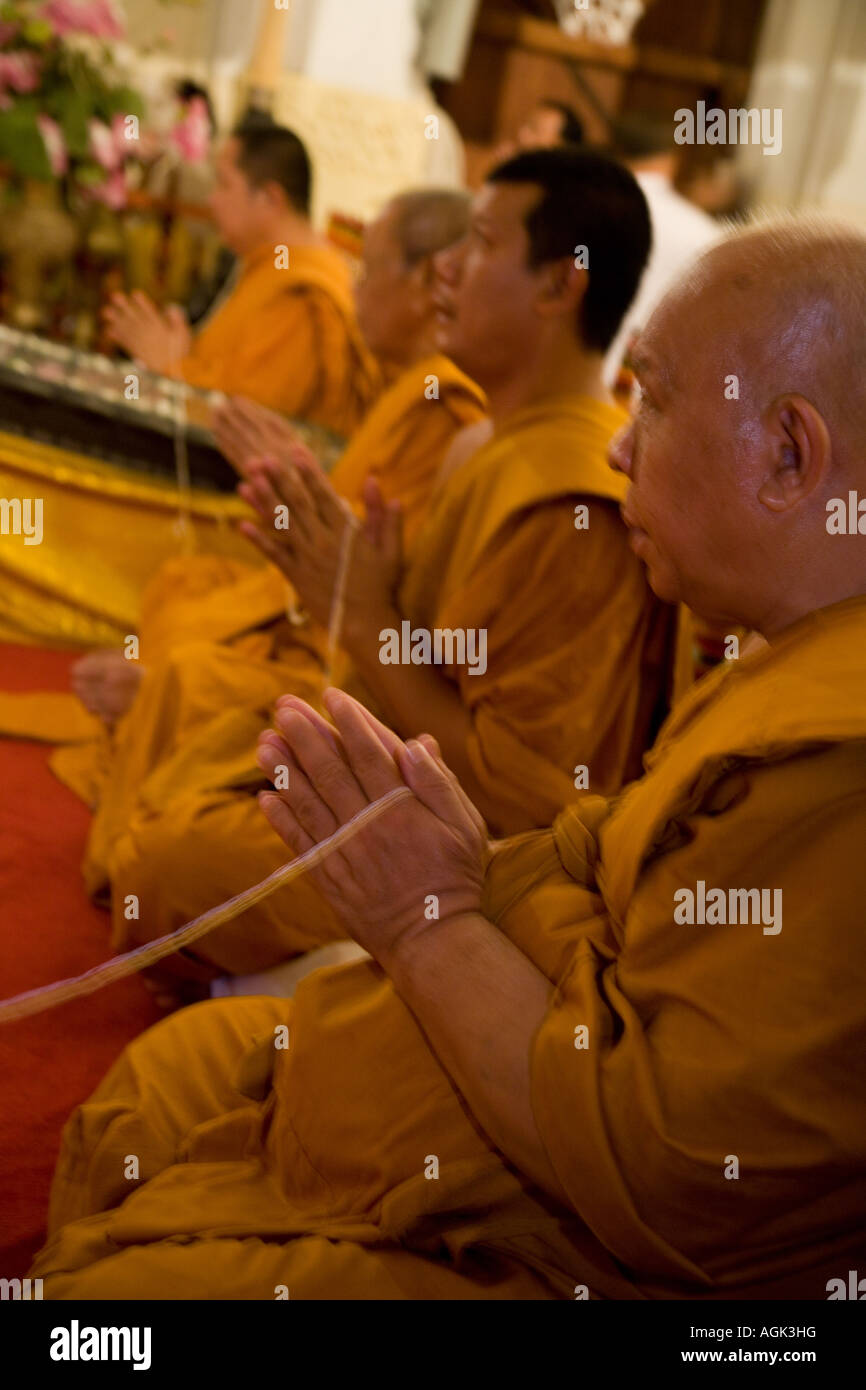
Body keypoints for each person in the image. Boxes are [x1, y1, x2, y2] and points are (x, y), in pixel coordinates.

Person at [32, 217, 866, 1300]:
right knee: (161, 1074)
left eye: (653, 399)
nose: (622, 445)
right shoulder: (788, 652)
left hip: (559, 1241)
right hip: (466, 1006)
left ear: (789, 456)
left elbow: (668, 1176)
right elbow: (596, 851)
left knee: (104, 1303)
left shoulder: (826, 750)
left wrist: (426, 917)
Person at [75, 149, 675, 983]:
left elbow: (521, 801)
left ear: (558, 284)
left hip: (470, 861)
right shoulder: (488, 445)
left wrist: (364, 614)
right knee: (191, 766)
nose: (447, 271)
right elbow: (430, 668)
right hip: (386, 770)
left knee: (173, 862)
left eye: (480, 242)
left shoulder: (574, 507)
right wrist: (378, 591)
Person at [104, 116, 378, 433]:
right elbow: (232, 373)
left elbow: (256, 418)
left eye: (224, 183)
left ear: (270, 198)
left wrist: (170, 367)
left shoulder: (303, 291)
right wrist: (180, 357)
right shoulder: (273, 267)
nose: (212, 199)